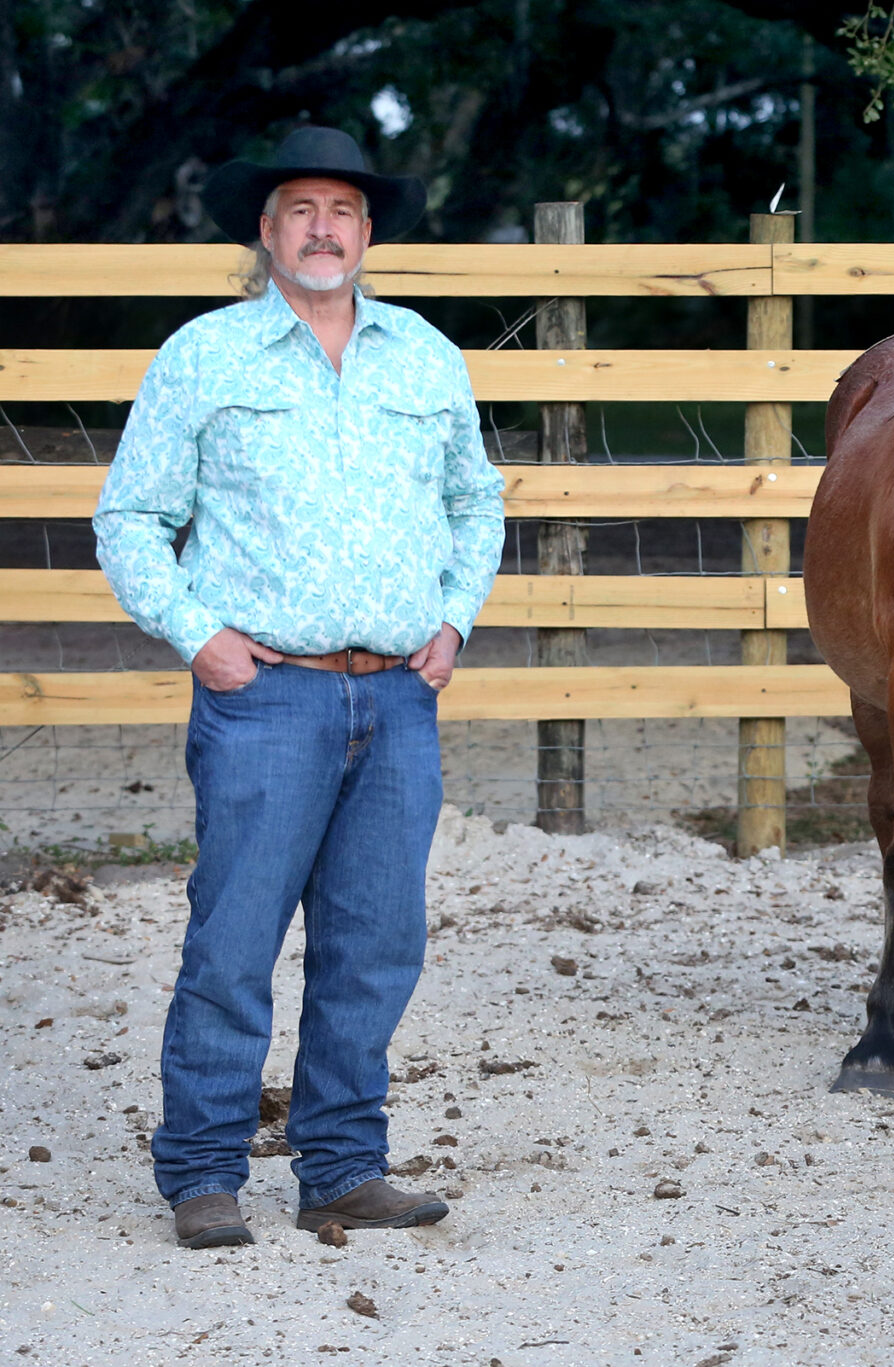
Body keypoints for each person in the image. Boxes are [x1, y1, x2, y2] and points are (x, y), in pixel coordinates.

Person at [94, 126, 504, 1248]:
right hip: (266, 693)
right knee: (233, 939)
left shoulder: (424, 355)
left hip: (398, 699)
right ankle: (203, 1172)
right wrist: (196, 634)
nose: (323, 229)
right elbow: (129, 517)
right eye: (299, 210)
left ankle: (341, 1165)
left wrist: (455, 616)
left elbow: (478, 502)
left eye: (343, 211)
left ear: (368, 232)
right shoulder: (204, 356)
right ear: (265, 232)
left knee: (374, 942)